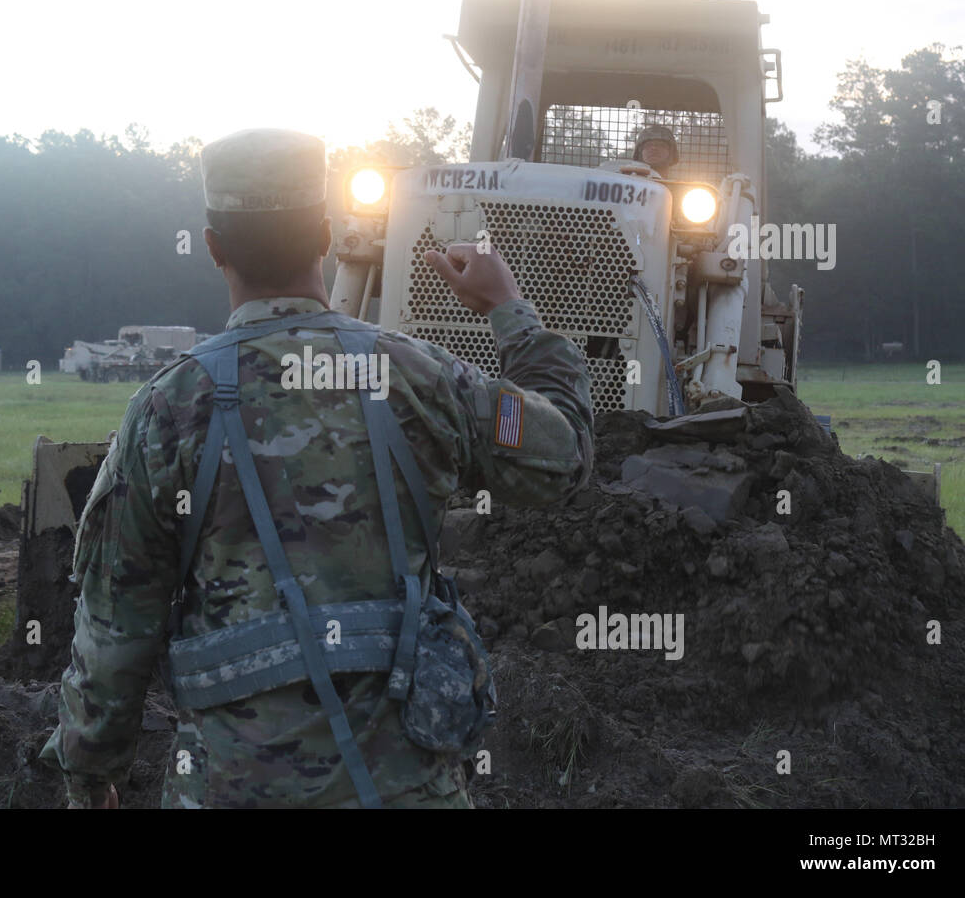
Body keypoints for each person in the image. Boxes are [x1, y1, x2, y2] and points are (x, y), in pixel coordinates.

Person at [39, 127, 595, 808]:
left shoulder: (166, 410)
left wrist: (91, 773)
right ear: (326, 235)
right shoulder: (421, 379)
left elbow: (115, 627)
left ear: (213, 246)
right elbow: (562, 458)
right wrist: (509, 312)